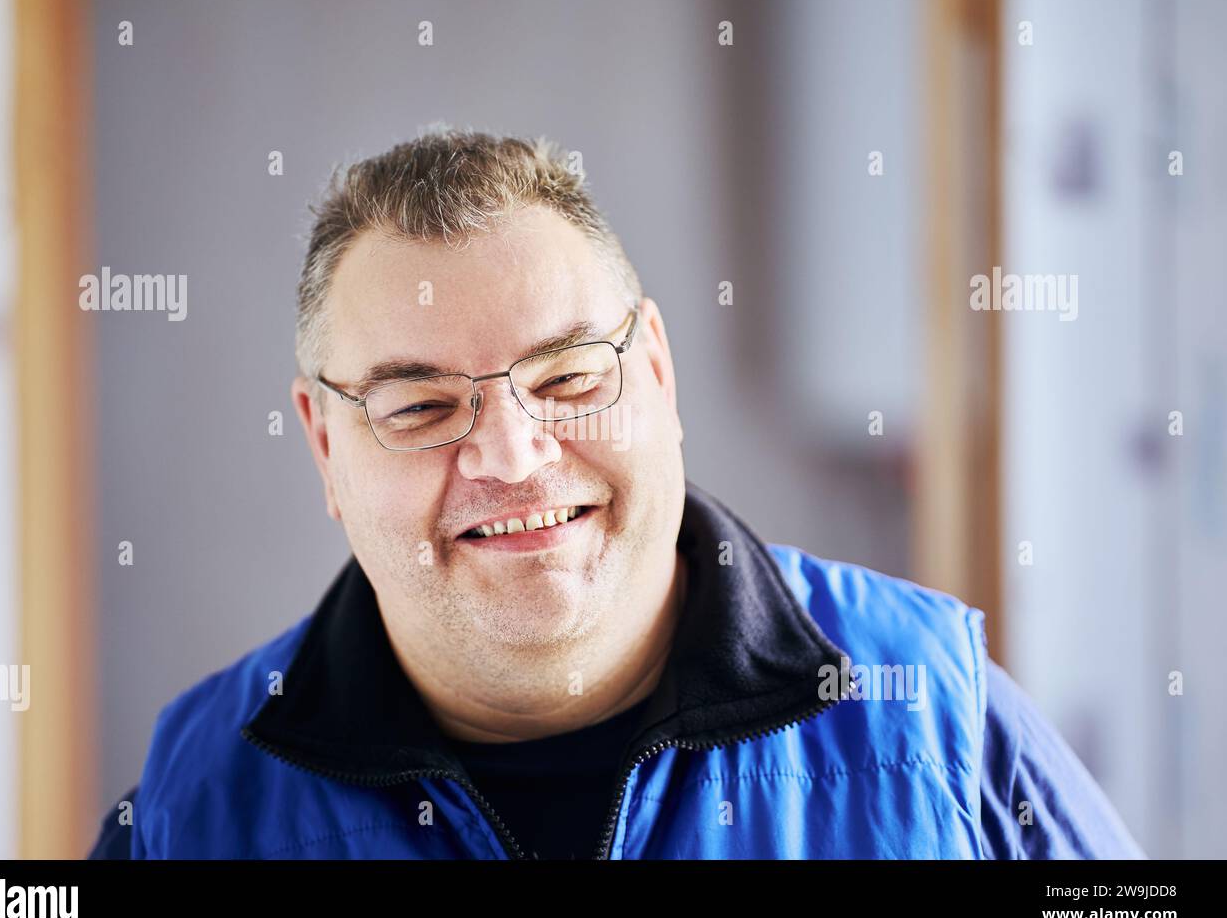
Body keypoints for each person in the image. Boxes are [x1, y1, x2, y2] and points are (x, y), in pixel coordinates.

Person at [89, 128, 1143, 859]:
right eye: (417, 407)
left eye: (567, 378)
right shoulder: (199, 792)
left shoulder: (934, 709)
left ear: (656, 375)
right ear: (324, 446)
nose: (511, 453)